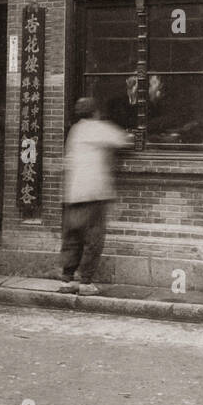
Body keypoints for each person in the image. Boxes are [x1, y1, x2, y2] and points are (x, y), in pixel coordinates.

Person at [59, 96, 133, 295]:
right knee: (93, 238)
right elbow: (123, 140)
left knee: (72, 237)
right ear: (95, 112)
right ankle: (85, 282)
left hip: (73, 192)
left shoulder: (74, 130)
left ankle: (67, 280)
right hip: (94, 193)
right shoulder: (98, 127)